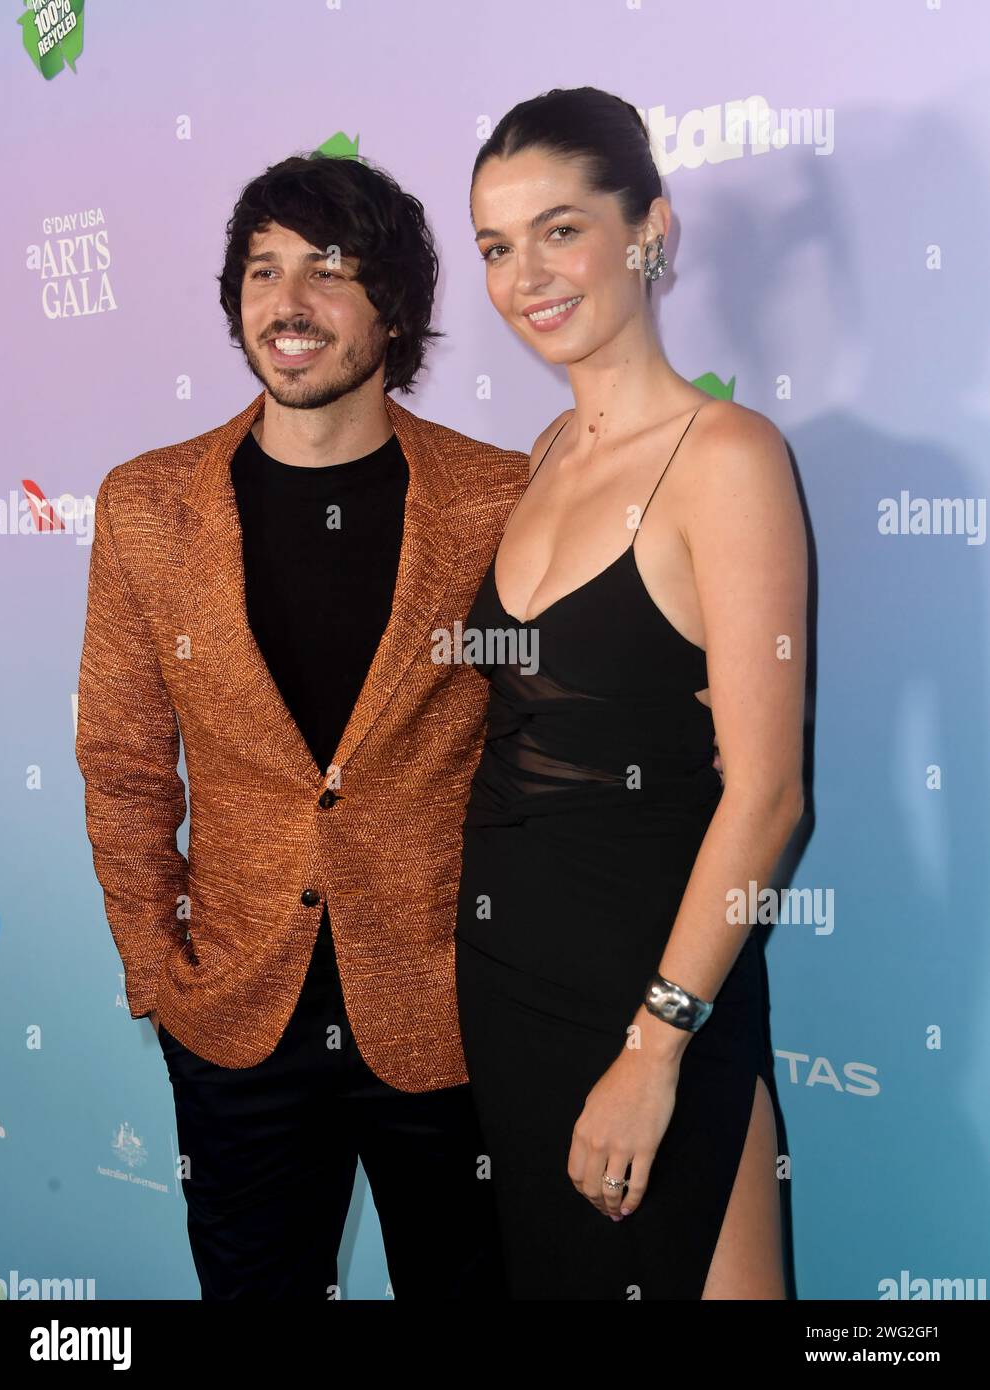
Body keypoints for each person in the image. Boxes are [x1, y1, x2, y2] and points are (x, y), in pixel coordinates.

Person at [74, 153, 533, 1300]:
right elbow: (125, 760)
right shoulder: (146, 504)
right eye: (262, 271)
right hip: (235, 1014)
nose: (287, 305)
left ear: (396, 307)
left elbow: (546, 749)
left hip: (450, 1010)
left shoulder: (500, 498)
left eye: (327, 273)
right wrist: (157, 970)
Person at [454, 87, 807, 1300]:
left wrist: (655, 1043)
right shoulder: (540, 458)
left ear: (646, 227)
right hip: (506, 989)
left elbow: (765, 799)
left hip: (659, 989)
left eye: (559, 229)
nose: (523, 276)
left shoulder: (728, 458)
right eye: (496, 246)